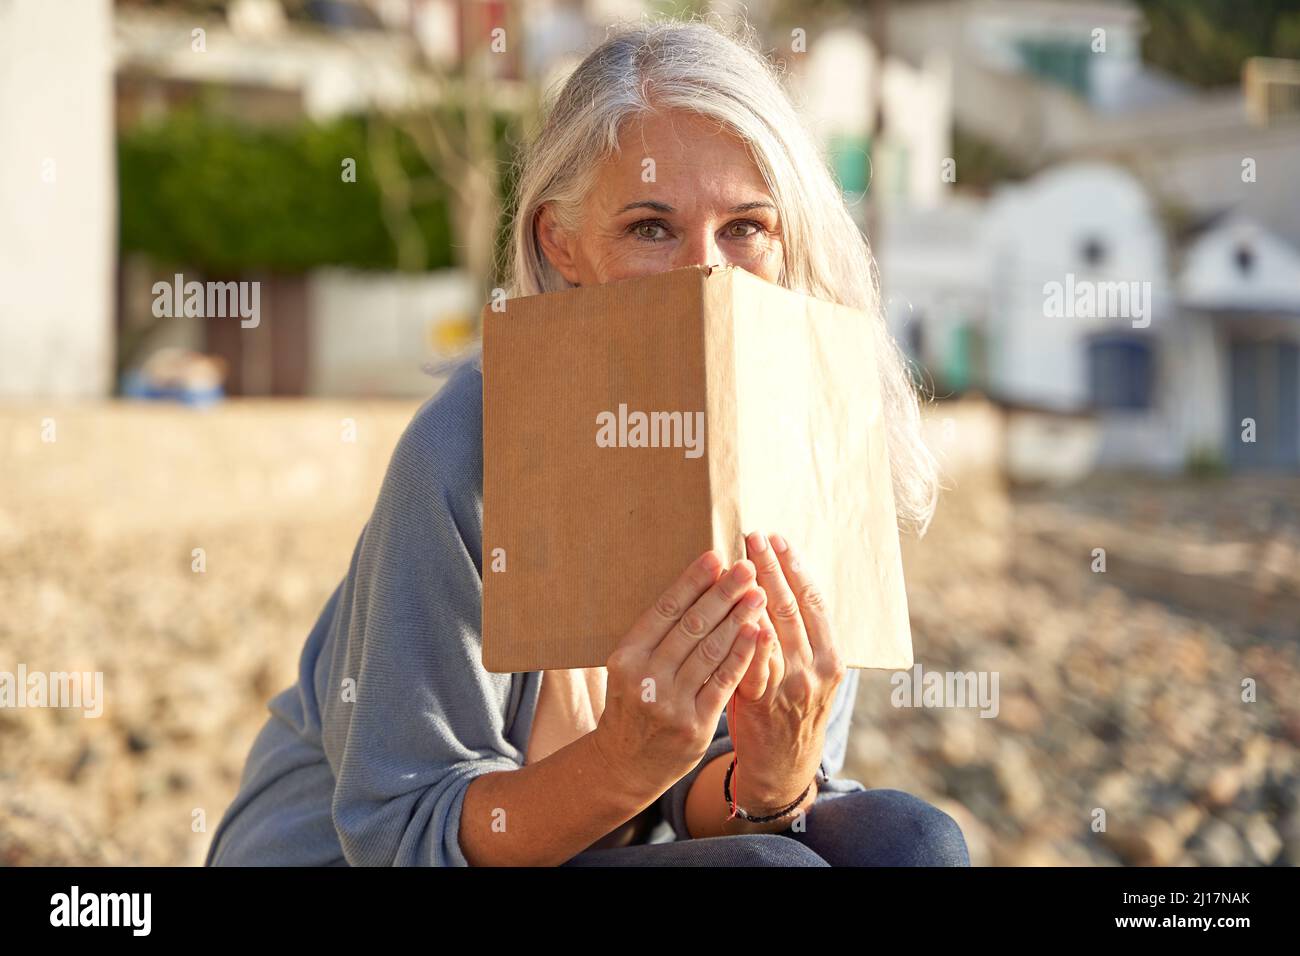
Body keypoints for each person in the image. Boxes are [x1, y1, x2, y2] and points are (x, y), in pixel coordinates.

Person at [205, 18, 969, 867]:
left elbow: (702, 805)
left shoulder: (801, 444)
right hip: (346, 856)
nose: (705, 271)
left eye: (745, 226)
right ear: (560, 244)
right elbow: (400, 834)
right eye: (650, 227)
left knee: (915, 845)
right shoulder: (461, 451)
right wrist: (622, 759)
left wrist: (776, 780)